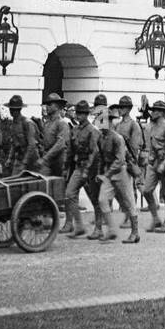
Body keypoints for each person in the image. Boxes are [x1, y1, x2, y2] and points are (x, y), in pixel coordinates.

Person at [94, 105, 139, 243]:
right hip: (109, 173)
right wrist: (99, 172)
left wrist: (105, 175)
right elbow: (101, 158)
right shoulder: (101, 138)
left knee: (129, 203)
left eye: (102, 120)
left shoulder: (117, 138)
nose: (99, 122)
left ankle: (135, 233)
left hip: (121, 174)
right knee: (102, 200)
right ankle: (111, 230)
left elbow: (120, 160)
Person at [60, 100, 102, 239]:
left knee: (95, 200)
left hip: (91, 169)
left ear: (87, 114)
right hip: (79, 167)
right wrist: (66, 168)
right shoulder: (74, 130)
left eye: (82, 113)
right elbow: (70, 151)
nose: (79, 116)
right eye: (78, 113)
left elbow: (94, 153)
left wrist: (87, 171)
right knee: (69, 194)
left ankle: (99, 228)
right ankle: (77, 225)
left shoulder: (93, 131)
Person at [142, 100, 165, 233]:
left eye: (156, 110)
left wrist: (164, 164)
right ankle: (156, 219)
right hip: (153, 163)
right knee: (146, 190)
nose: (153, 112)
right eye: (153, 109)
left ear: (162, 113)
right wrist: (148, 159)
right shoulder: (151, 127)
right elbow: (149, 145)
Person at [32, 93, 71, 177]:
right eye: (46, 105)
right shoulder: (47, 123)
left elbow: (60, 144)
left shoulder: (62, 123)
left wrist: (45, 158)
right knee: (43, 182)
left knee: (59, 185)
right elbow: (45, 140)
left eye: (50, 104)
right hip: (48, 160)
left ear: (57, 106)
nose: (47, 107)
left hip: (59, 161)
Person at [114, 95, 145, 199]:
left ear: (129, 109)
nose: (120, 109)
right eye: (119, 107)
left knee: (130, 189)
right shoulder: (118, 125)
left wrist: (131, 160)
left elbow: (135, 146)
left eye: (122, 107)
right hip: (118, 160)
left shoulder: (133, 125)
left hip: (129, 160)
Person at [0, 95, 37, 176]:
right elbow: (14, 144)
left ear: (19, 109)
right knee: (15, 181)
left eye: (14, 109)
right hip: (20, 157)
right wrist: (10, 159)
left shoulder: (27, 123)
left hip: (31, 160)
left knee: (32, 184)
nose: (12, 111)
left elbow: (32, 145)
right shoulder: (13, 124)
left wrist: (25, 162)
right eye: (11, 109)